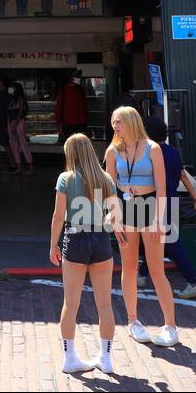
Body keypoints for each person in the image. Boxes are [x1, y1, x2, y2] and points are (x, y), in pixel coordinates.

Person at [106, 106, 178, 347]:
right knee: (128, 267)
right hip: (125, 209)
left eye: (120, 122)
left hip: (149, 207)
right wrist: (114, 217)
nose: (116, 126)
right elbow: (109, 189)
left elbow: (162, 187)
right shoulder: (112, 151)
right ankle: (133, 321)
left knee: (157, 269)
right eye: (114, 122)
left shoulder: (153, 148)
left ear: (131, 122)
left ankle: (170, 325)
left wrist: (159, 219)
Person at [50, 133, 122, 373]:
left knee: (70, 304)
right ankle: (106, 358)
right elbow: (116, 215)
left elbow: (59, 215)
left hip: (75, 238)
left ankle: (70, 358)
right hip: (101, 238)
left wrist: (53, 244)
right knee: (105, 305)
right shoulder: (106, 179)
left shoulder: (65, 178)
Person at [137, 116, 196, 299]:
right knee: (158, 240)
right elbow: (183, 175)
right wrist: (195, 198)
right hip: (171, 199)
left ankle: (193, 282)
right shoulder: (173, 152)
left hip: (156, 202)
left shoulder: (148, 152)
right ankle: (142, 275)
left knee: (170, 243)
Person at [5, 81, 34, 176]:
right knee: (14, 145)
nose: (11, 89)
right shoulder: (12, 99)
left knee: (22, 143)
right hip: (11, 122)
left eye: (13, 87)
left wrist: (15, 124)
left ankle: (30, 166)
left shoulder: (20, 99)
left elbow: (20, 112)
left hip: (18, 122)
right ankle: (19, 166)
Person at [55, 71, 88, 141]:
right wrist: (58, 123)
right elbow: (59, 107)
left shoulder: (81, 90)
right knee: (71, 146)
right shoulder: (63, 90)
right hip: (69, 124)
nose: (79, 78)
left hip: (80, 124)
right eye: (77, 77)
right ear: (71, 79)